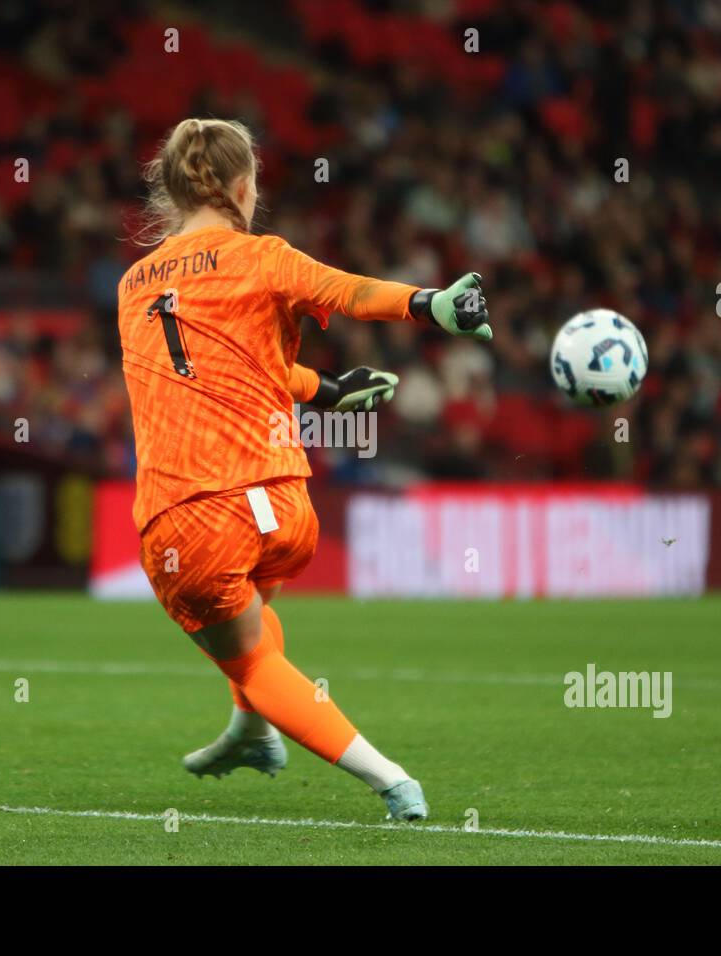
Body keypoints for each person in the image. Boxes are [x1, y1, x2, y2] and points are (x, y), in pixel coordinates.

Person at [117, 118, 491, 821]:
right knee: (254, 632)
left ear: (168, 191)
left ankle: (391, 781)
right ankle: (251, 731)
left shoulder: (134, 285)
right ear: (242, 185)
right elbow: (346, 293)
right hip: (285, 507)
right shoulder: (262, 256)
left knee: (253, 662)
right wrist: (429, 308)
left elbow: (197, 371)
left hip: (191, 516)